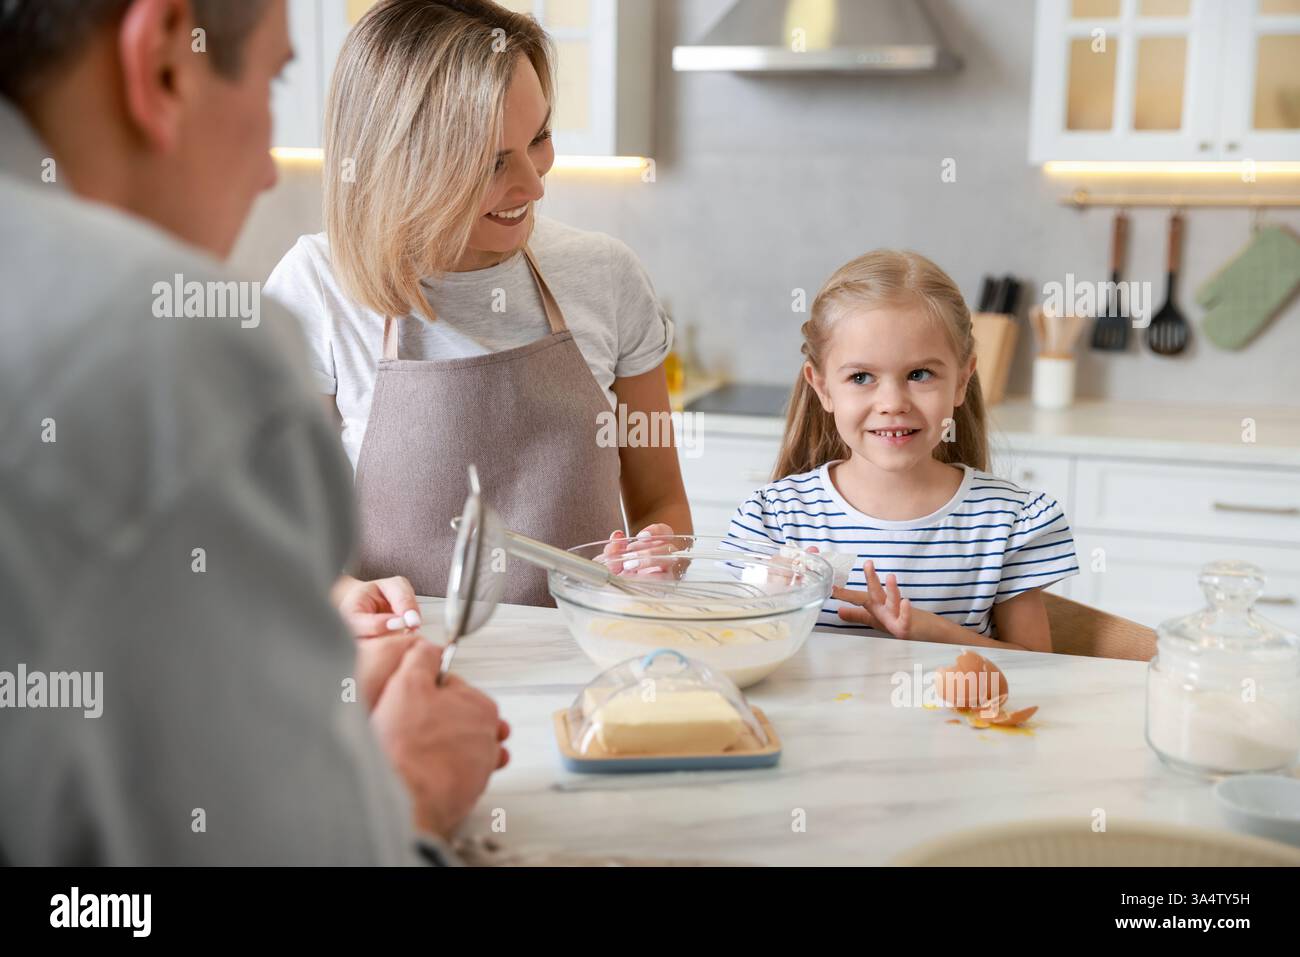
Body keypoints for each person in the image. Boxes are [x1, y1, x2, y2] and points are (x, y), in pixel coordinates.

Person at [0, 0, 506, 864]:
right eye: (274, 78)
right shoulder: (169, 347)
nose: (272, 171)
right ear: (164, 60)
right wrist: (403, 795)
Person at [265, 0, 691, 606]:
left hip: (583, 668)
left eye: (539, 137)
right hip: (404, 668)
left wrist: (657, 557)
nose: (535, 184)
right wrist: (336, 595)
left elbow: (661, 503)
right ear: (399, 164)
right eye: (492, 162)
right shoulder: (317, 286)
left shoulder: (606, 275)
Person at [727, 251, 1079, 652]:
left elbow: (1041, 670)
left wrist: (932, 633)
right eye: (861, 377)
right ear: (823, 387)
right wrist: (770, 609)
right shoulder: (772, 519)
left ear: (962, 381)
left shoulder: (1011, 522)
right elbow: (729, 649)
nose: (892, 402)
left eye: (919, 375)